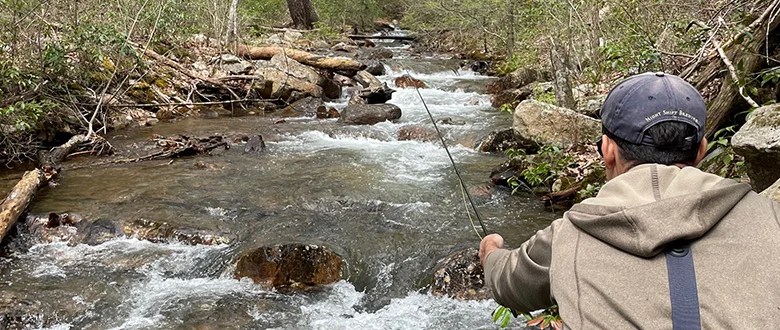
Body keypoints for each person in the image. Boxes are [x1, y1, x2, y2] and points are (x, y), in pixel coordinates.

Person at [479, 72, 780, 329]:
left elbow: (508, 285)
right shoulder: (772, 217)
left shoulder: (566, 237)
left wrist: (490, 251)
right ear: (701, 149)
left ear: (608, 150)